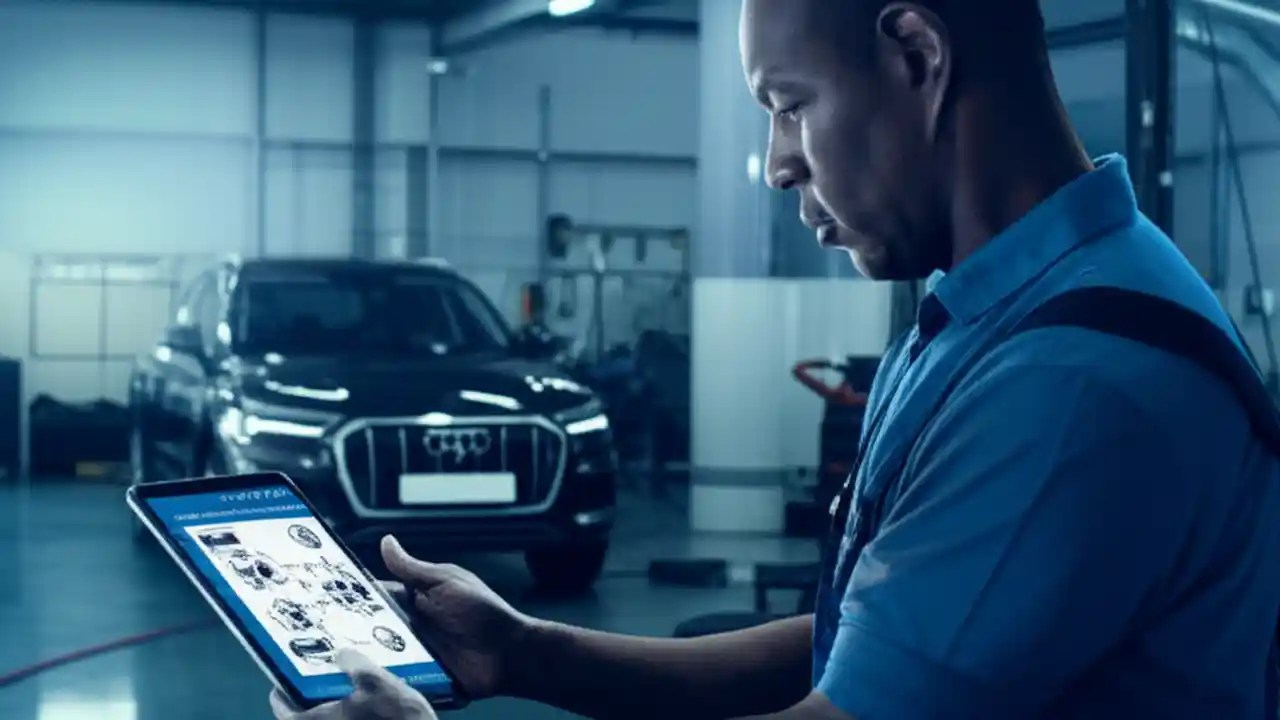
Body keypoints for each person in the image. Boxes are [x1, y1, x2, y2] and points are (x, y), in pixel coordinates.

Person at [272, 0, 1280, 718]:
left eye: (788, 102)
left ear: (917, 55)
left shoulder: (1071, 382)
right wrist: (527, 652)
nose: (773, 161)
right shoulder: (995, 309)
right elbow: (874, 642)